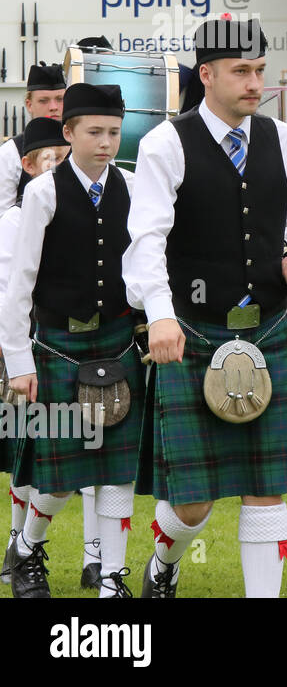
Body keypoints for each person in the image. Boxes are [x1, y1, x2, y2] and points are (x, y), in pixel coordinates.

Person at [124, 17, 287, 599]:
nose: (254, 83)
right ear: (207, 75)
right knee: (193, 501)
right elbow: (146, 239)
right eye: (241, 71)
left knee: (267, 485)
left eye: (260, 71)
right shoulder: (168, 143)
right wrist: (160, 313)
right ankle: (164, 561)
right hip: (195, 331)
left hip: (266, 330)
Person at [1, 85, 142, 599]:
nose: (106, 143)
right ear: (68, 133)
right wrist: (19, 359)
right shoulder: (43, 193)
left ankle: (111, 580)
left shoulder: (132, 184)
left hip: (120, 341)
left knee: (116, 470)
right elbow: (20, 283)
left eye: (113, 132)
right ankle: (27, 546)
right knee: (60, 477)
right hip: (59, 344)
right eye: (94, 133)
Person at [0, 118, 70, 588]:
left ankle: (25, 546)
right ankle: (18, 543)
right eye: (53, 161)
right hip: (24, 347)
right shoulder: (13, 219)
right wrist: (16, 354)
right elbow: (10, 291)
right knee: (27, 452)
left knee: (70, 454)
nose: (62, 170)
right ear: (28, 166)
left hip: (69, 344)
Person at [0, 64, 66, 212]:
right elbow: (3, 218)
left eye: (60, 99)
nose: (53, 107)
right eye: (44, 101)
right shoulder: (9, 153)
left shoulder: (81, 145)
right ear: (29, 105)